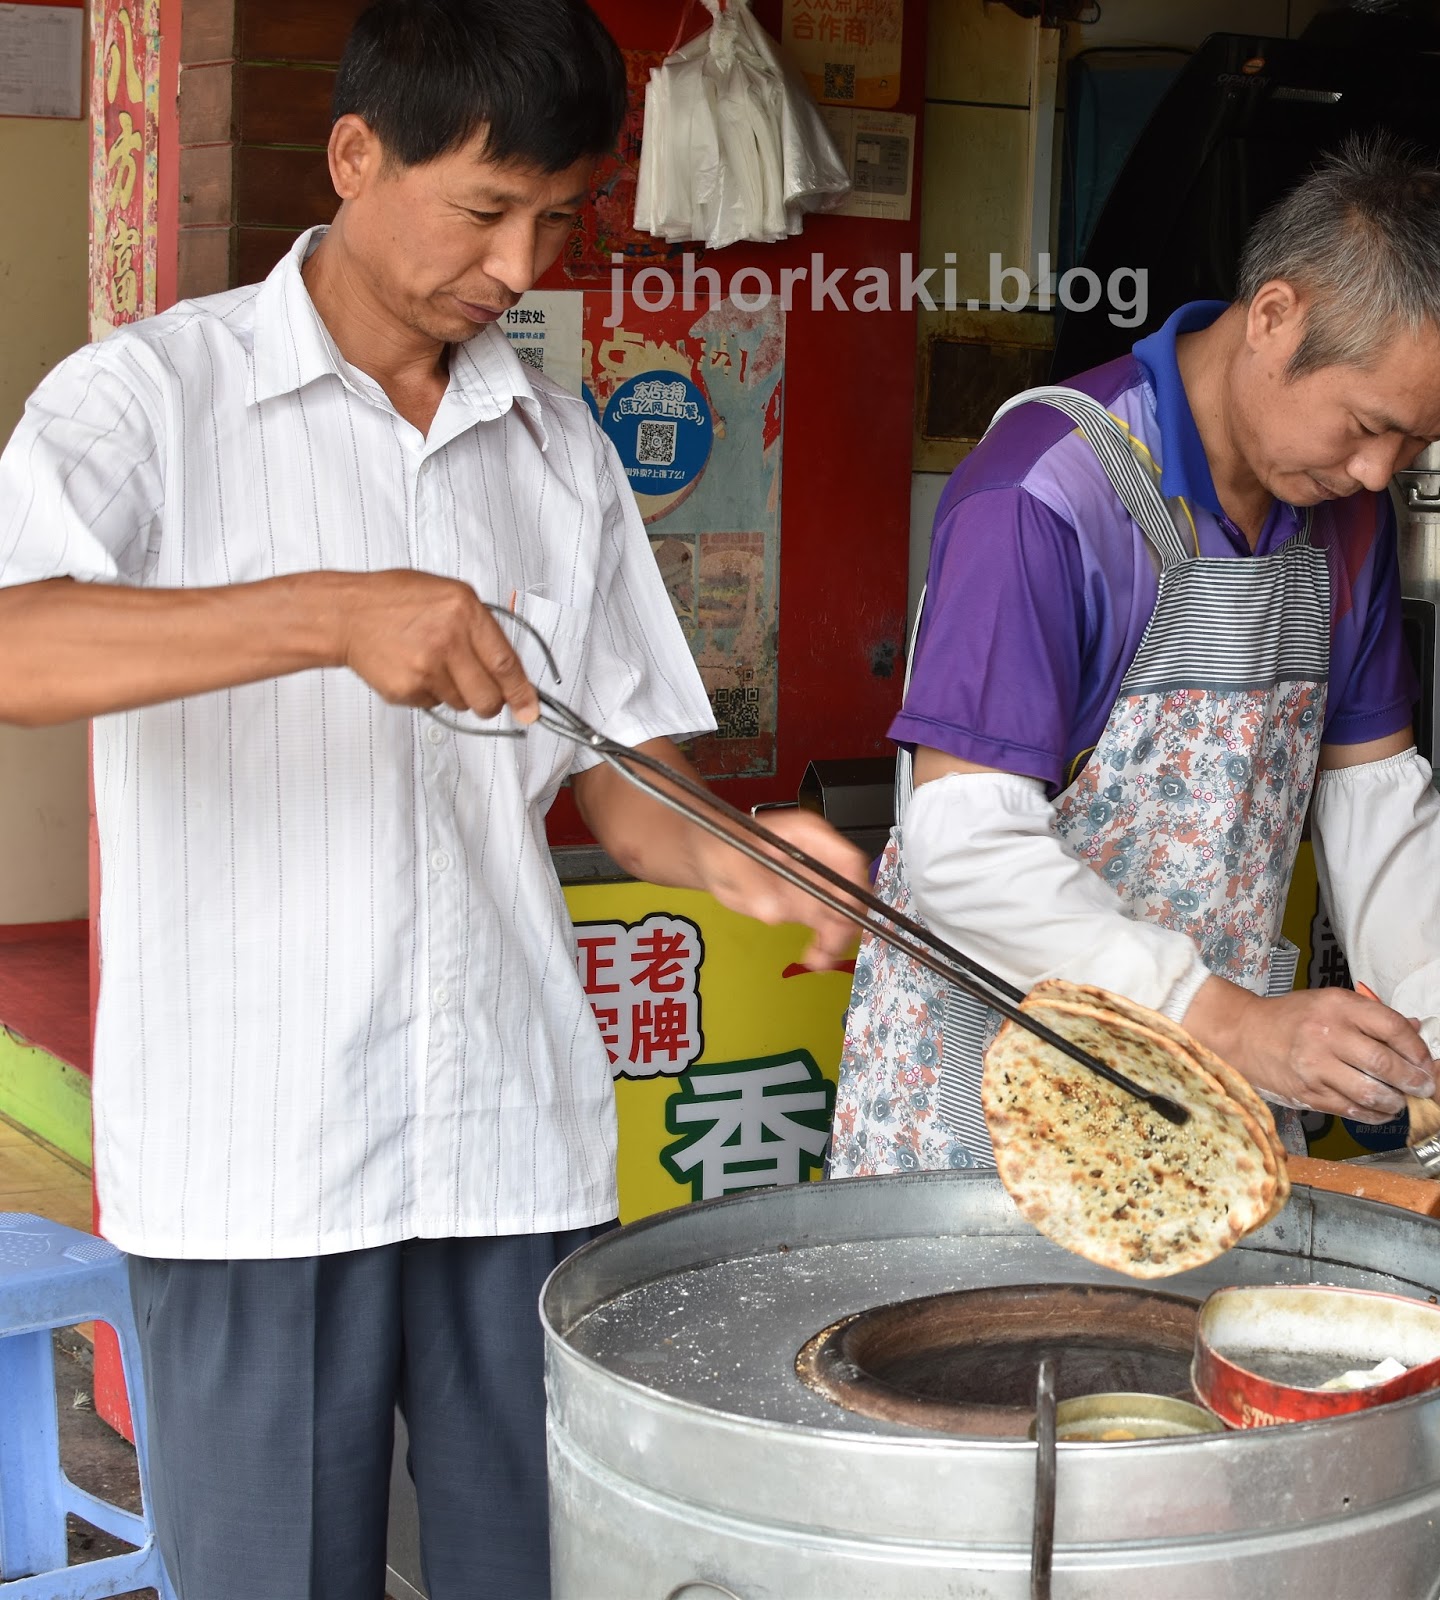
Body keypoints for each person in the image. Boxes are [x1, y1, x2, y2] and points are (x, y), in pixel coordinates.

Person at [0, 1, 865, 1595]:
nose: (520, 268)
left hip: (508, 1143)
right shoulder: (147, 402)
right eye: (482, 210)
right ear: (353, 157)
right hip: (259, 1152)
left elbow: (624, 783)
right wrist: (327, 612)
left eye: (558, 217)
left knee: (534, 1568)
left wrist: (748, 860)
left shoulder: (554, 453)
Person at [831, 136, 1440, 1179]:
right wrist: (1225, 1017)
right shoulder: (1047, 494)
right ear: (1275, 317)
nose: (1379, 471)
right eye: (1369, 425)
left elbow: (1375, 801)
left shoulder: (1349, 519)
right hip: (985, 1107)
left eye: (1419, 444)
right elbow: (962, 848)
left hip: (1208, 1099)